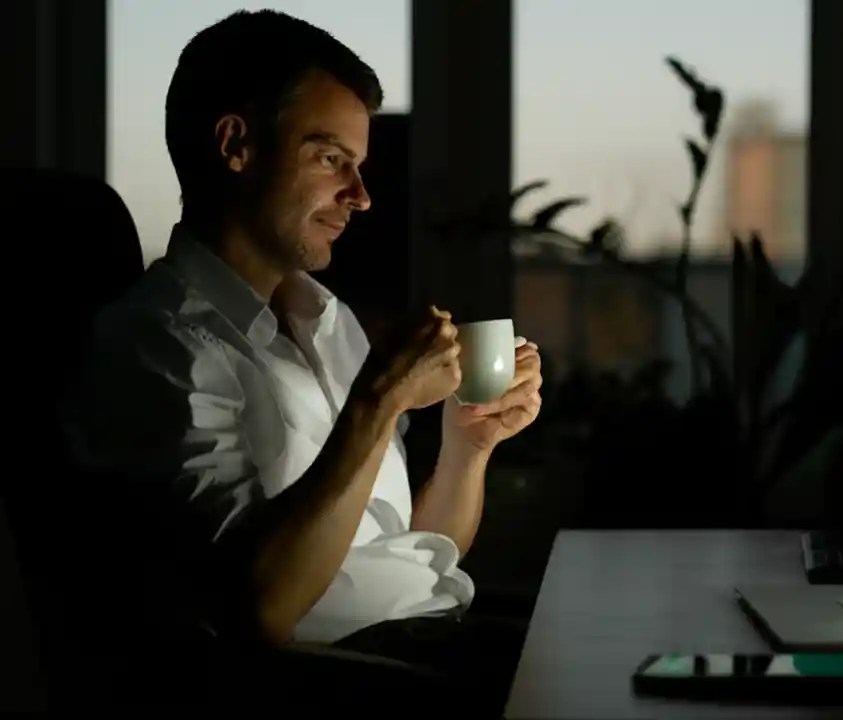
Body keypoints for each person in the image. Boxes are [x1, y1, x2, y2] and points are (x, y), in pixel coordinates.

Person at [63, 8, 541, 700]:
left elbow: (412, 555)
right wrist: (378, 403)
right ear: (236, 145)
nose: (362, 195)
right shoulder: (153, 349)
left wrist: (469, 446)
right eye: (330, 159)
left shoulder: (328, 319)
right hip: (327, 687)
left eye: (361, 166)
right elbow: (260, 610)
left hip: (429, 638)